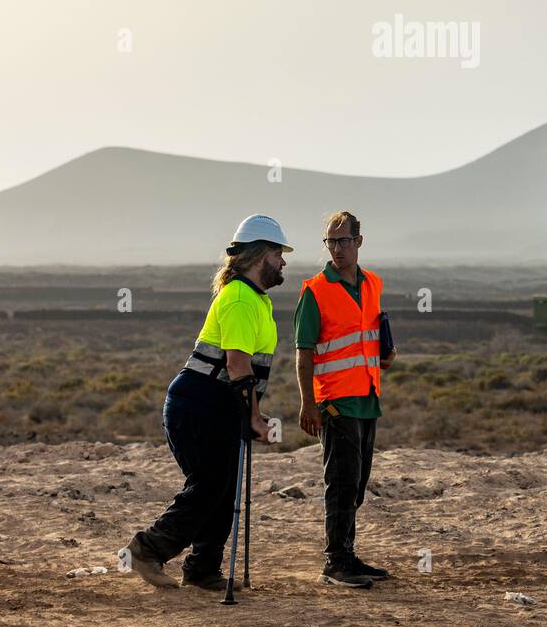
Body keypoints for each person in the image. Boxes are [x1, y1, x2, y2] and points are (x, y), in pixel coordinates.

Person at [124, 214, 292, 591]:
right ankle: (147, 549)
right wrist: (255, 418)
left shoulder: (256, 300)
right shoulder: (238, 299)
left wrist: (253, 413)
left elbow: (243, 370)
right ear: (259, 255)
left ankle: (202, 568)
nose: (283, 262)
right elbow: (236, 364)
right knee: (211, 483)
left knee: (222, 486)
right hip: (198, 406)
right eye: (279, 253)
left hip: (216, 407)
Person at [293, 210, 396, 588]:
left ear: (359, 242)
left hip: (367, 395)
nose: (336, 248)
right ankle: (335, 562)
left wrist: (385, 352)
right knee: (341, 480)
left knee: (357, 481)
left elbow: (368, 334)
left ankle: (347, 554)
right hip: (335, 400)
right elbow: (304, 352)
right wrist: (308, 404)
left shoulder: (372, 284)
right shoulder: (314, 290)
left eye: (343, 240)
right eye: (330, 241)